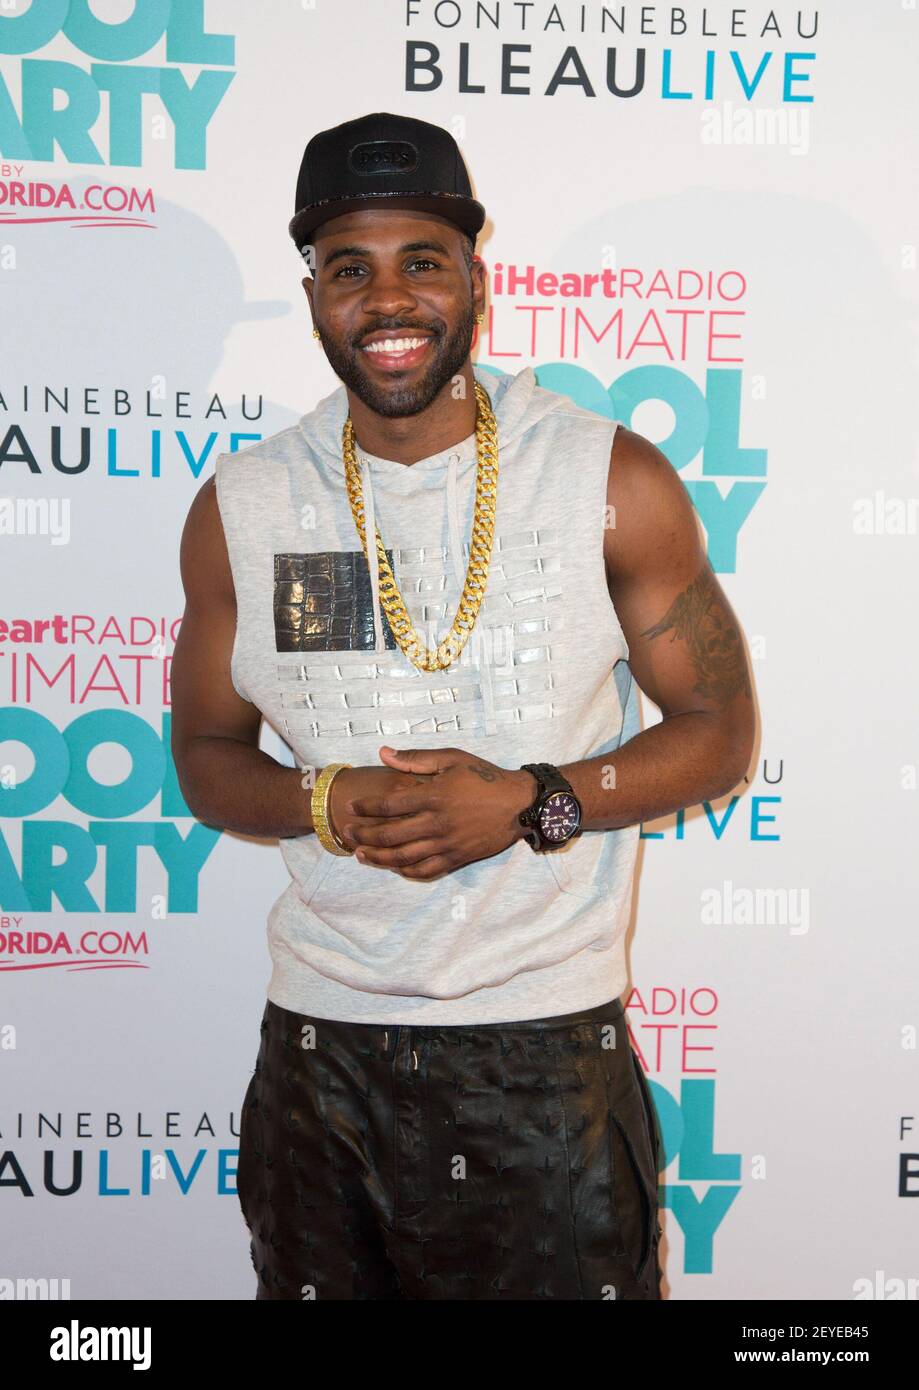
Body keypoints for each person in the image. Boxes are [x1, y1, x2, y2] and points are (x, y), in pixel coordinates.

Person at [170, 111, 755, 1301]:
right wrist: (326, 800)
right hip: (321, 1058)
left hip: (544, 1057)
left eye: (422, 262)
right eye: (350, 269)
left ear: (475, 280)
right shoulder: (242, 505)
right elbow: (205, 754)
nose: (388, 299)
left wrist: (533, 803)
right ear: (314, 295)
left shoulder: (607, 478)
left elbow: (719, 734)